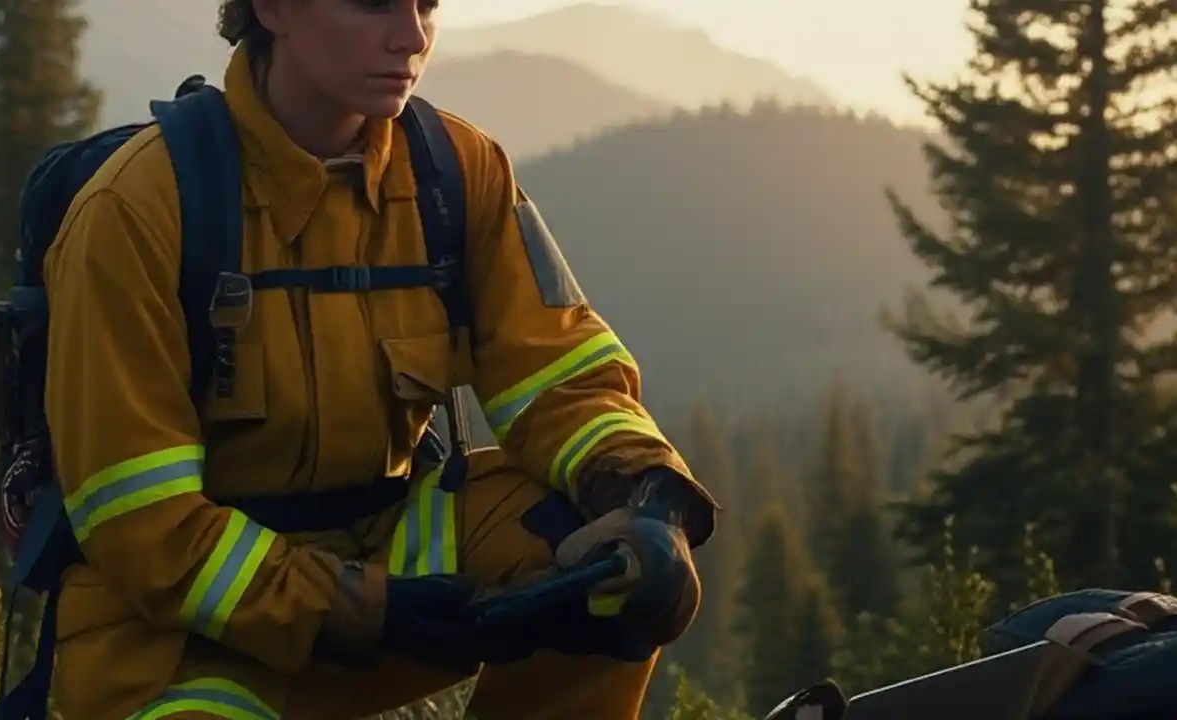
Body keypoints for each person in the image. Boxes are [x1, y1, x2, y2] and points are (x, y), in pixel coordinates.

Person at [41, 0, 718, 717]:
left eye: (427, 3)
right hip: (184, 644)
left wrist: (644, 495)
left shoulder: (458, 172)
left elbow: (561, 376)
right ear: (272, 9)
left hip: (388, 576)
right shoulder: (136, 210)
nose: (412, 35)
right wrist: (357, 607)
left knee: (600, 570)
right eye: (373, 4)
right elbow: (144, 525)